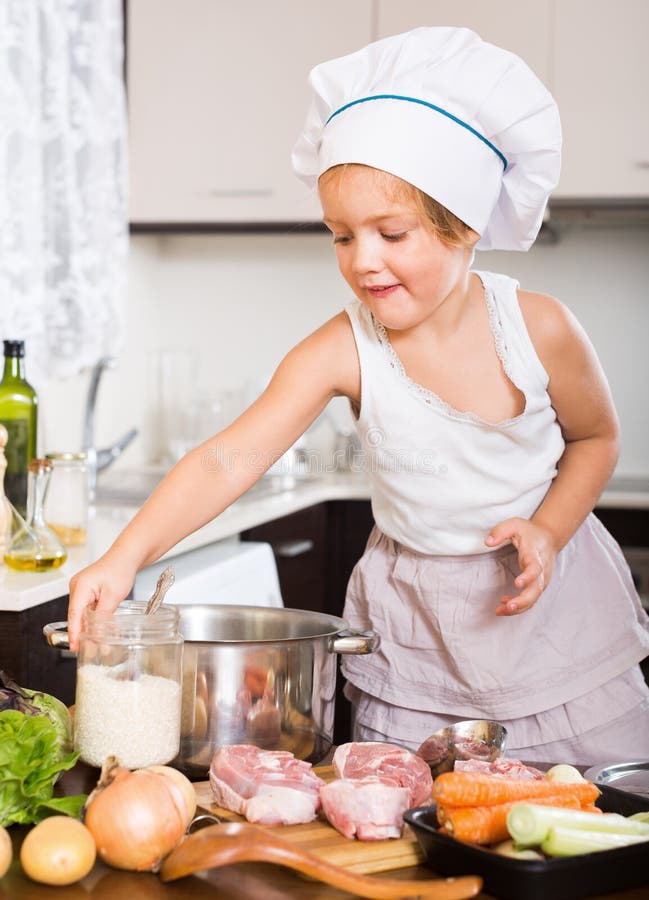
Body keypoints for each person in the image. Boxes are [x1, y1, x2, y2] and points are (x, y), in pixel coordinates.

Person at [68, 26, 649, 765]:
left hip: (554, 626)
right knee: (411, 826)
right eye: (341, 236)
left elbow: (595, 440)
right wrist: (121, 561)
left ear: (464, 225)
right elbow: (225, 461)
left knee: (600, 817)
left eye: (391, 232)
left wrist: (548, 530)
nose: (362, 260)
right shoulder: (342, 347)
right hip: (416, 637)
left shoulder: (540, 329)